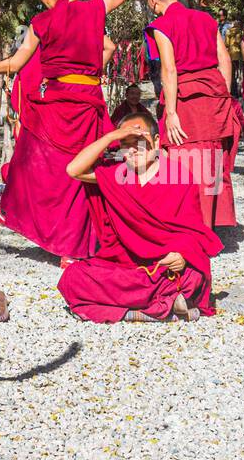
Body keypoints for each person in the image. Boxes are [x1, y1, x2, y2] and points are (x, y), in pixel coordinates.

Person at [0, 0, 134, 259]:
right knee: (85, 168)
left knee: (38, 165)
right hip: (88, 101)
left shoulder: (42, 22)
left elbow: (16, 64)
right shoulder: (94, 8)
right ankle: (76, 248)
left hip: (58, 103)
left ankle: (17, 210)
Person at [58, 108, 222, 323]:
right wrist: (111, 136)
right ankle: (158, 306)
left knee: (193, 276)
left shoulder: (179, 176)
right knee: (73, 277)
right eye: (126, 144)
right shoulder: (115, 175)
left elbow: (193, 230)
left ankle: (136, 308)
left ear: (155, 141)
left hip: (164, 266)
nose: (133, 150)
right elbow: (73, 170)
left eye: (139, 141)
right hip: (124, 266)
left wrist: (182, 255)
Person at [145, 0, 240, 229]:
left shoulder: (162, 24)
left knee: (185, 160)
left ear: (153, 0)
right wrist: (224, 96)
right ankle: (211, 223)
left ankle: (190, 227)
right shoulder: (207, 20)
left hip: (186, 100)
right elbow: (225, 60)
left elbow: (169, 70)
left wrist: (172, 112)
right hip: (214, 97)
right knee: (211, 159)